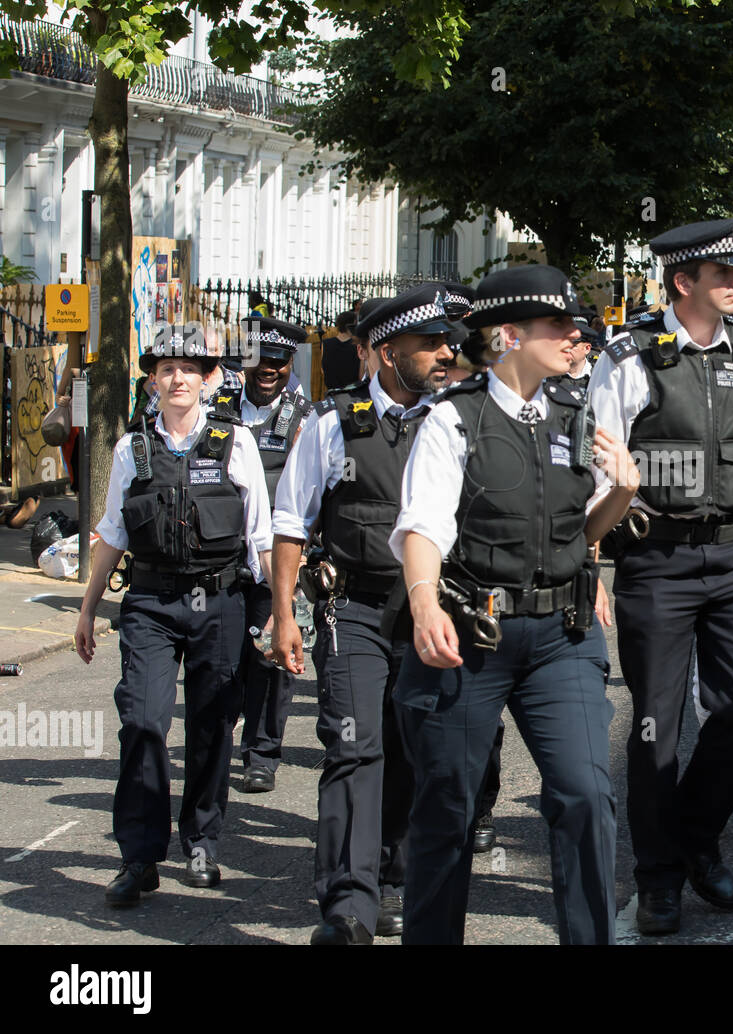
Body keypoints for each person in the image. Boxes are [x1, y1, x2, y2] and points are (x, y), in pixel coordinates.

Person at [390, 265, 639, 944]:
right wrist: (423, 602)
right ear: (509, 335)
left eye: (577, 326)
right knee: (448, 806)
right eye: (559, 326)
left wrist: (620, 490)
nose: (577, 337)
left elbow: (581, 532)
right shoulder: (454, 418)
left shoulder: (574, 411)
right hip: (474, 634)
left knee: (586, 795)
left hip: (561, 632)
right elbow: (422, 526)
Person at [586, 218, 733, 936]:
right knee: (655, 728)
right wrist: (589, 565)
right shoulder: (629, 358)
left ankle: (695, 836)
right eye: (725, 275)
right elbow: (598, 469)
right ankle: (658, 878)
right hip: (656, 560)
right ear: (685, 283)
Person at [270, 283, 455, 944]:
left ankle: (393, 873)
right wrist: (286, 614)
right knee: (353, 745)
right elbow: (290, 523)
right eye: (428, 344)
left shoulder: (454, 420)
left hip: (431, 613)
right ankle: (347, 904)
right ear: (385, 351)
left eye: (445, 343)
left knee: (413, 748)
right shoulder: (332, 422)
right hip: (353, 607)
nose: (444, 353)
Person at [74, 331, 272, 906]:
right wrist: (88, 609)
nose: (178, 378)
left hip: (221, 602)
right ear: (152, 379)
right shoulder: (130, 449)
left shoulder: (235, 443)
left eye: (190, 368)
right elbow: (112, 533)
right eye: (167, 368)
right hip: (151, 604)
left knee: (212, 724)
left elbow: (260, 535)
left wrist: (284, 615)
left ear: (208, 377)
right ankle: (138, 856)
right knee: (142, 720)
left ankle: (203, 840)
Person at [209, 316, 312, 793]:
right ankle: (214, 741)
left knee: (272, 656)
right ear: (246, 361)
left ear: (291, 364)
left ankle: (262, 752)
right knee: (225, 656)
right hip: (224, 554)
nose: (269, 370)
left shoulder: (303, 416)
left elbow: (312, 492)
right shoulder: (219, 406)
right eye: (261, 360)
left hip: (278, 556)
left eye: (279, 362)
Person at [321, 310, 360, 392]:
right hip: (353, 393)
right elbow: (361, 373)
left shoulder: (326, 344)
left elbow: (322, 369)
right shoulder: (357, 345)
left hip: (332, 392)